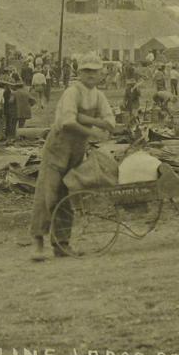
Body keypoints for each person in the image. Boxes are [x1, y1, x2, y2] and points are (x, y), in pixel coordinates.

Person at [30, 54, 118, 261]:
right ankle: (38, 243)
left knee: (68, 195)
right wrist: (94, 129)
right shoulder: (72, 92)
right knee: (47, 194)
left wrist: (85, 118)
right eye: (86, 71)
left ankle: (62, 244)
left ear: (100, 74)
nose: (91, 75)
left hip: (77, 151)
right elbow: (68, 122)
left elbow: (110, 121)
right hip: (57, 148)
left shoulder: (98, 96)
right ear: (79, 73)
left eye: (94, 71)